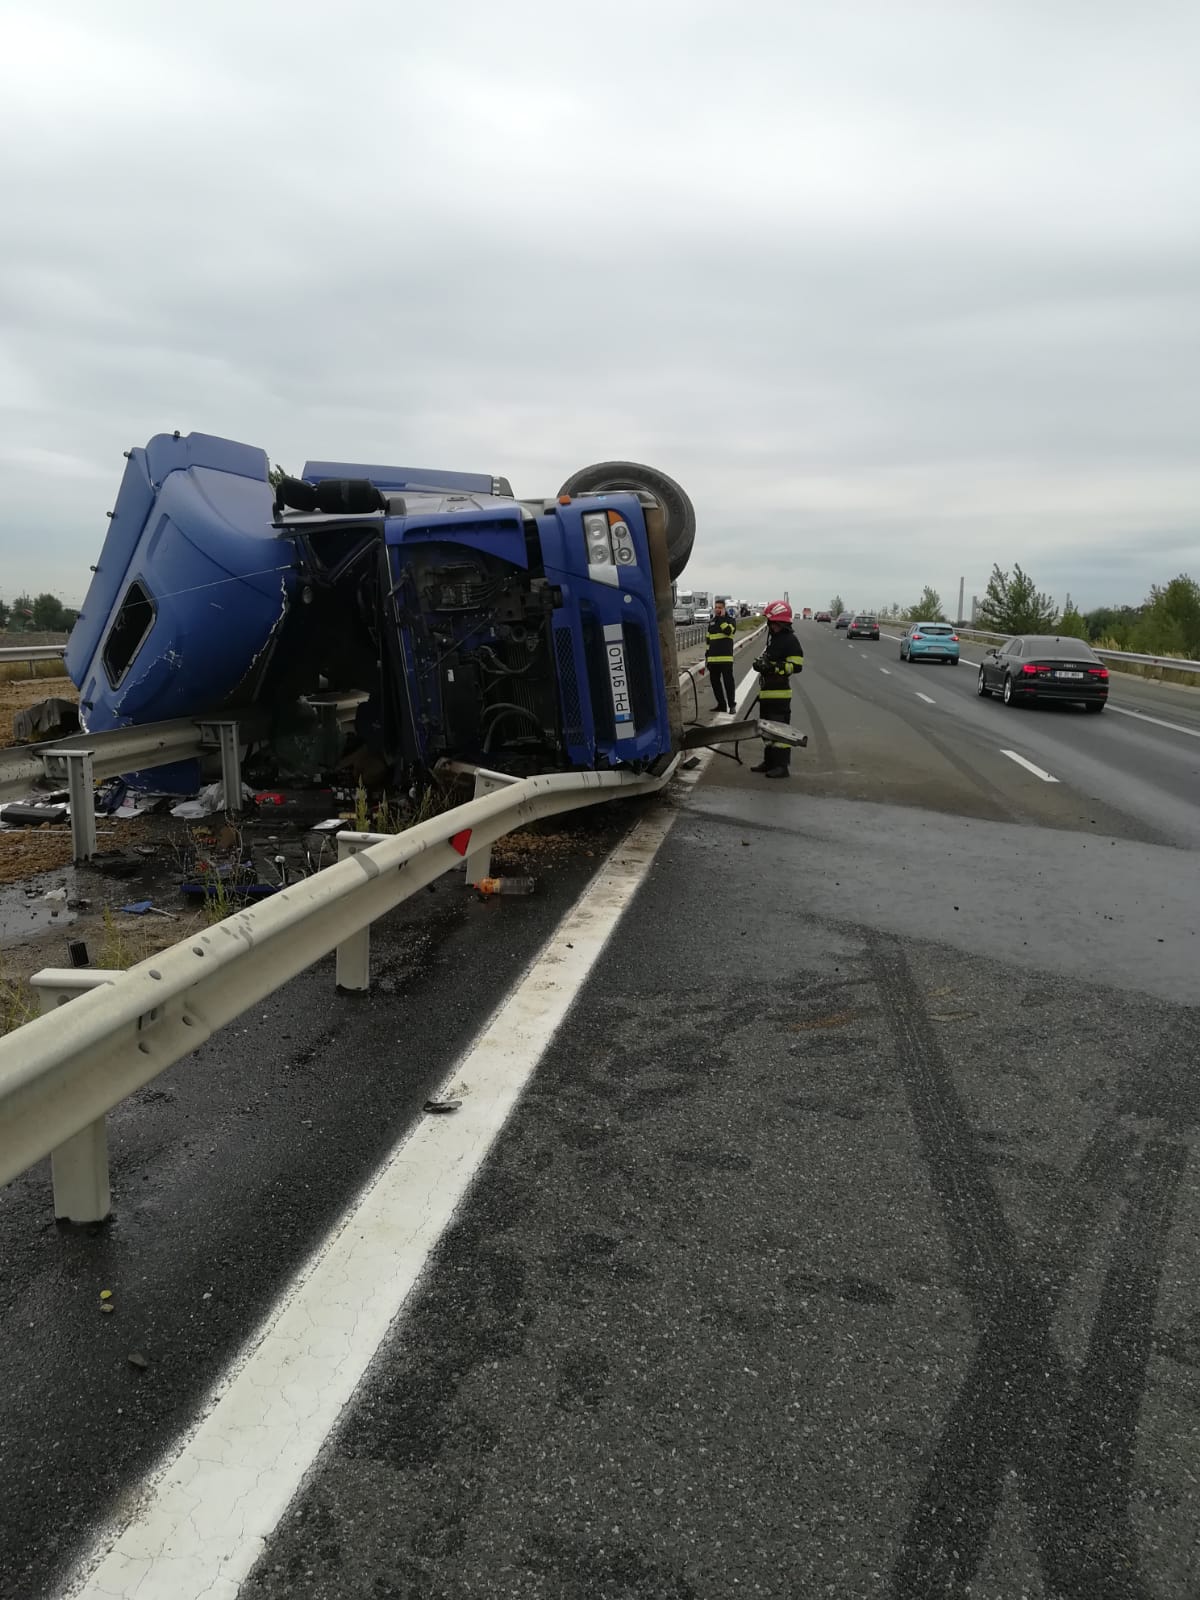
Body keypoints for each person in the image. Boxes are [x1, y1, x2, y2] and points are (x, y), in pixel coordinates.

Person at [751, 600, 804, 777]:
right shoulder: (775, 639)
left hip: (780, 693)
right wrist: (761, 664)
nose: (771, 626)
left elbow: (796, 666)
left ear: (782, 622)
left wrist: (774, 667)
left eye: (774, 622)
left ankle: (782, 766)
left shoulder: (790, 641)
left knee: (779, 731)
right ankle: (769, 762)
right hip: (767, 691)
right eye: (770, 622)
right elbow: (769, 659)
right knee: (767, 729)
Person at [705, 598, 737, 713]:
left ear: (724, 609)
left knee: (728, 683)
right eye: (716, 607)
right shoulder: (712, 622)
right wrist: (707, 657)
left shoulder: (730, 620)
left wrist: (722, 619)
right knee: (715, 684)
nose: (717, 609)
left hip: (726, 658)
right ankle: (721, 705)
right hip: (713, 659)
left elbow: (728, 631)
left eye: (720, 608)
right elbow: (708, 641)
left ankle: (732, 705)